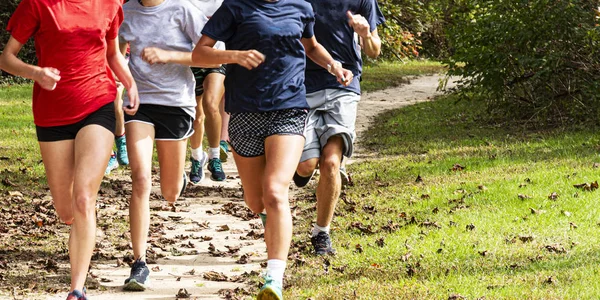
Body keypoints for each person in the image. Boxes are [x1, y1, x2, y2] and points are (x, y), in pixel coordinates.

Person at [191, 1, 353, 298]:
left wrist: (333, 65)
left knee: (275, 190)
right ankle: (272, 224)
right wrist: (235, 55)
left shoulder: (301, 6)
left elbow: (311, 46)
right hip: (244, 113)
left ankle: (273, 277)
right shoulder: (236, 7)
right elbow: (199, 53)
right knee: (256, 201)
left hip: (288, 108)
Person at [0, 0, 139, 299]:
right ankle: (82, 233)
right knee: (66, 210)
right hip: (53, 112)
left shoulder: (109, 4)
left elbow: (112, 53)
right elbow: (6, 59)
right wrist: (35, 73)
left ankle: (76, 288)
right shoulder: (38, 4)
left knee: (84, 197)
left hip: (97, 103)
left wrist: (130, 83)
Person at [118, 0, 214, 291]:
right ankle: (139, 262)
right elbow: (116, 52)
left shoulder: (183, 10)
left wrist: (169, 55)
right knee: (141, 178)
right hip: (139, 104)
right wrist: (124, 79)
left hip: (175, 103)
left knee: (169, 192)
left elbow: (210, 58)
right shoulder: (126, 12)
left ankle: (180, 179)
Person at [293, 0, 385, 255]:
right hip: (302, 84)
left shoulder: (364, 1)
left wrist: (365, 34)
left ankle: (321, 233)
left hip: (344, 83)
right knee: (306, 165)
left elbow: (374, 50)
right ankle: (302, 170)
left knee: (332, 163)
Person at [188, 0, 228, 184]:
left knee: (211, 104)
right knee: (197, 115)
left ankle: (214, 157)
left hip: (217, 58)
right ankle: (197, 158)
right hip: (190, 59)